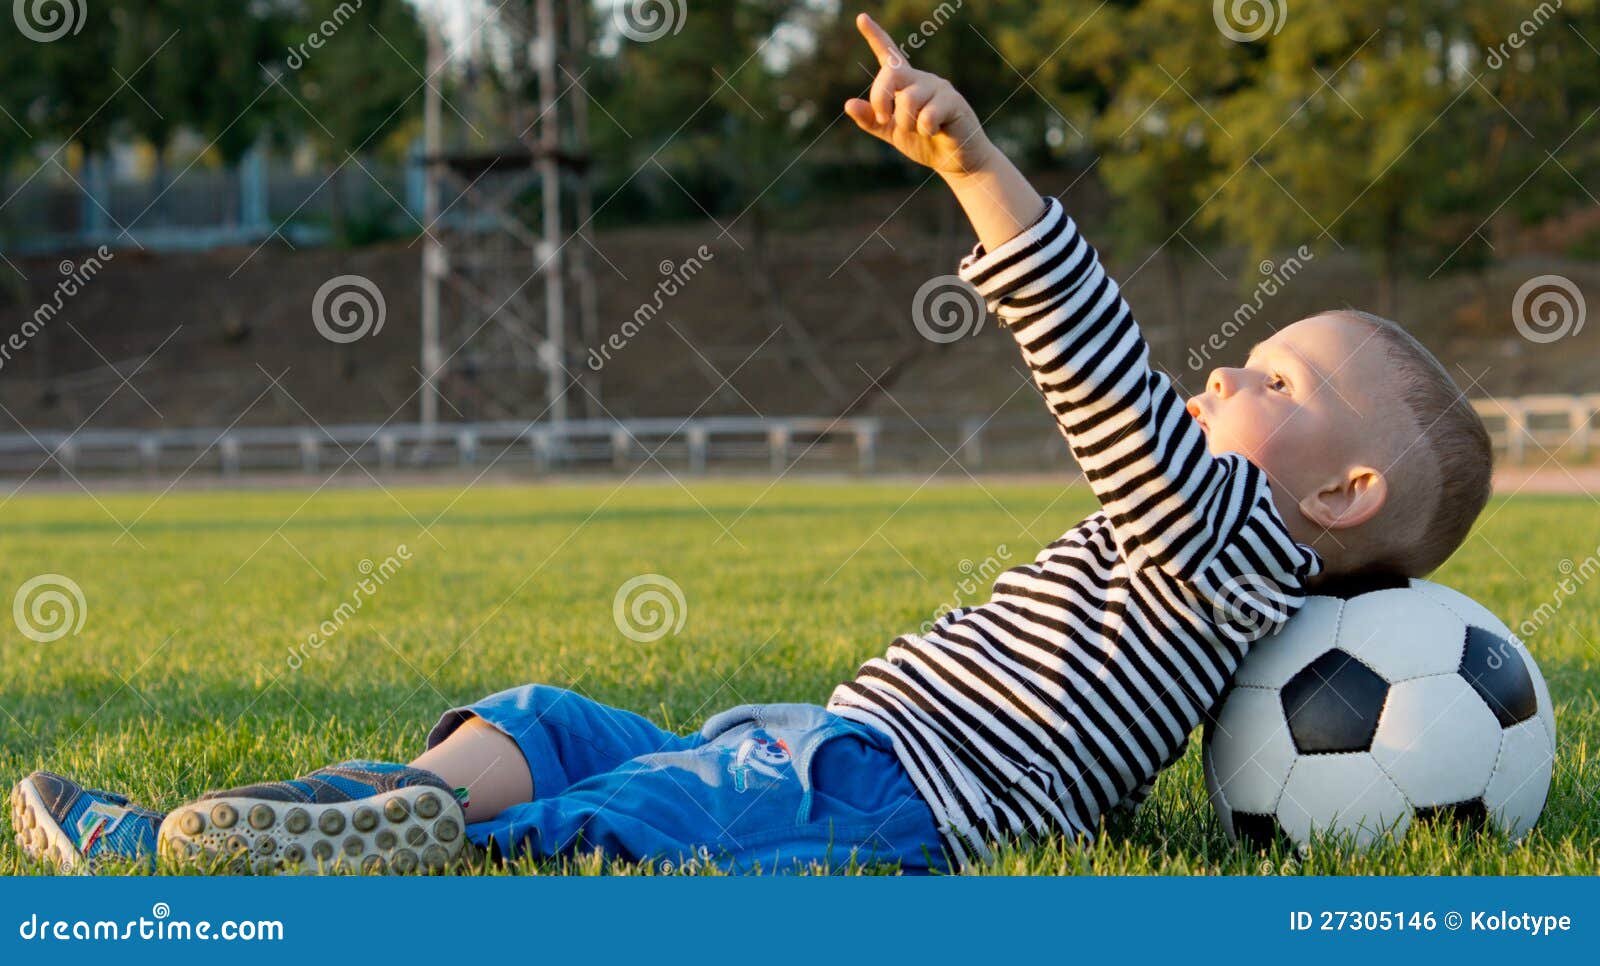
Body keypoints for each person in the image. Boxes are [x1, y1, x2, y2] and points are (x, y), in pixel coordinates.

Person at [10, 12, 1491, 876]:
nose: (1229, 365)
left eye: (1279, 375)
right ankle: (335, 809)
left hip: (891, 791)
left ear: (1338, 490)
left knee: (621, 810)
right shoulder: (1225, 554)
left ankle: (333, 842)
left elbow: (1089, 362)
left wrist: (980, 170)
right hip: (823, 743)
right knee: (550, 714)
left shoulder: (1230, 532)